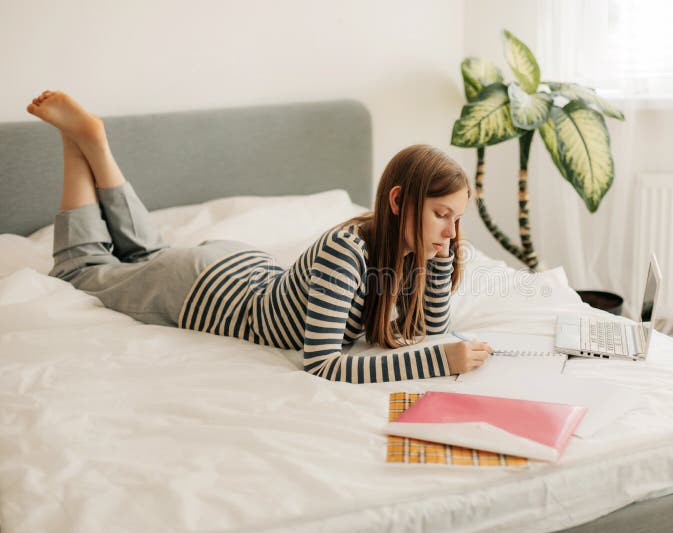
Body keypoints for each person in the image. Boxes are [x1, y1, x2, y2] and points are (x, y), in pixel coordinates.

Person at [26, 90, 492, 383]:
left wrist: (438, 253)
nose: (453, 233)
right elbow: (322, 364)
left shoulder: (410, 249)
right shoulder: (346, 251)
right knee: (82, 269)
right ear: (397, 202)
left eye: (457, 218)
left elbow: (430, 328)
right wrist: (439, 362)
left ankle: (90, 142)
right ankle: (80, 141)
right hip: (203, 291)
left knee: (150, 253)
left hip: (241, 270)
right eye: (441, 215)